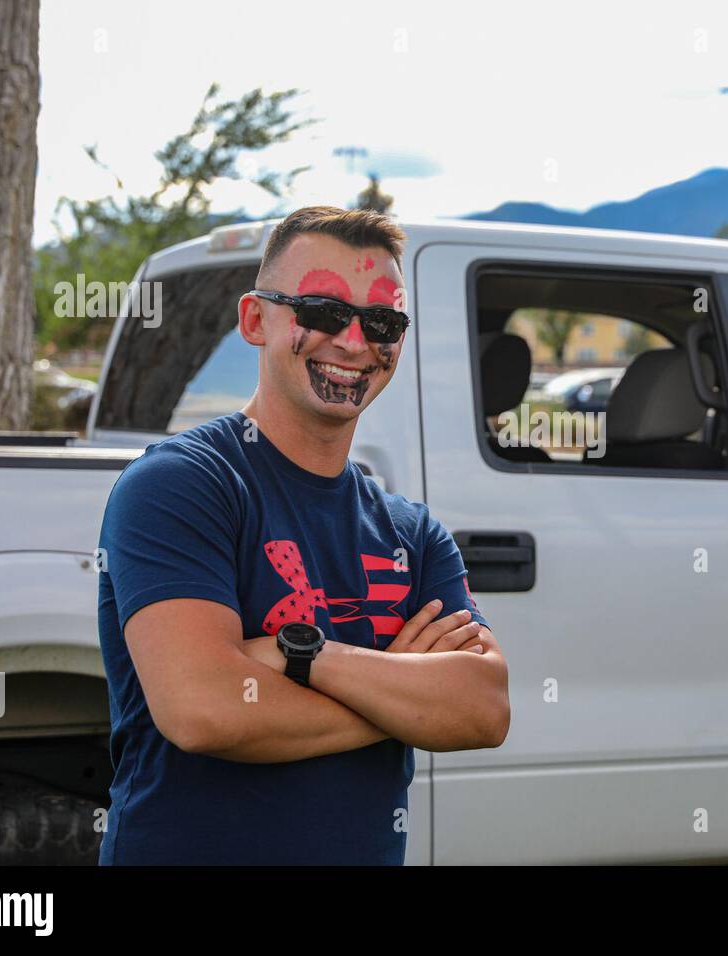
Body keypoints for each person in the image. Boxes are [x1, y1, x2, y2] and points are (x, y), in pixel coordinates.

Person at [96, 206, 510, 864]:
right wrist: (401, 693)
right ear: (255, 320)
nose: (352, 341)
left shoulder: (412, 531)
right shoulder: (180, 486)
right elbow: (203, 709)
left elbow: (483, 709)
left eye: (382, 321)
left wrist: (302, 656)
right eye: (320, 310)